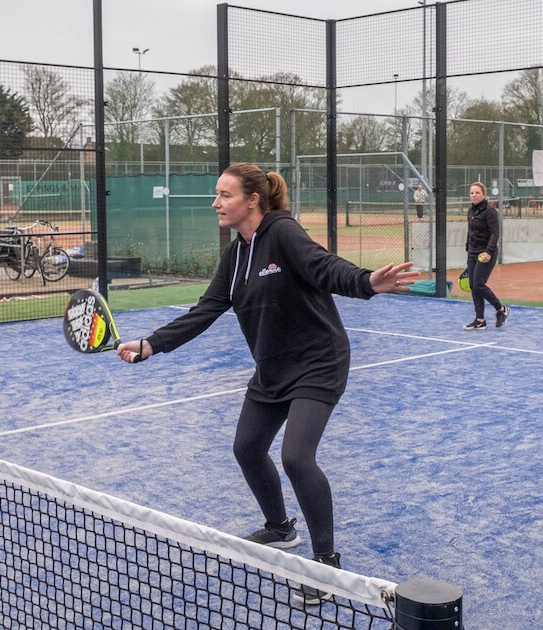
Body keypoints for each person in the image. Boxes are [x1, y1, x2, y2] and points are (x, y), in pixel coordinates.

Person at [115, 162, 419, 605]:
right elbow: (205, 310)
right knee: (247, 448)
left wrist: (368, 282)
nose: (215, 203)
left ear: (252, 200)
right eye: (216, 195)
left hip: (318, 362)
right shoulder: (234, 256)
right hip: (272, 369)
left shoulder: (283, 232)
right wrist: (150, 344)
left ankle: (326, 565)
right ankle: (280, 528)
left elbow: (324, 267)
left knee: (296, 457)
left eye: (225, 195)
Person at [462, 181, 508, 330]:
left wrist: (488, 252)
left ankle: (501, 310)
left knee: (479, 285)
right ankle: (480, 320)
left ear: (484, 195)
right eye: (472, 193)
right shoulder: (470, 211)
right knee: (472, 286)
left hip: (486, 252)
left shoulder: (490, 212)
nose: (474, 195)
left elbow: (495, 233)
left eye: (477, 193)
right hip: (473, 252)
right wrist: (468, 247)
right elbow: (470, 231)